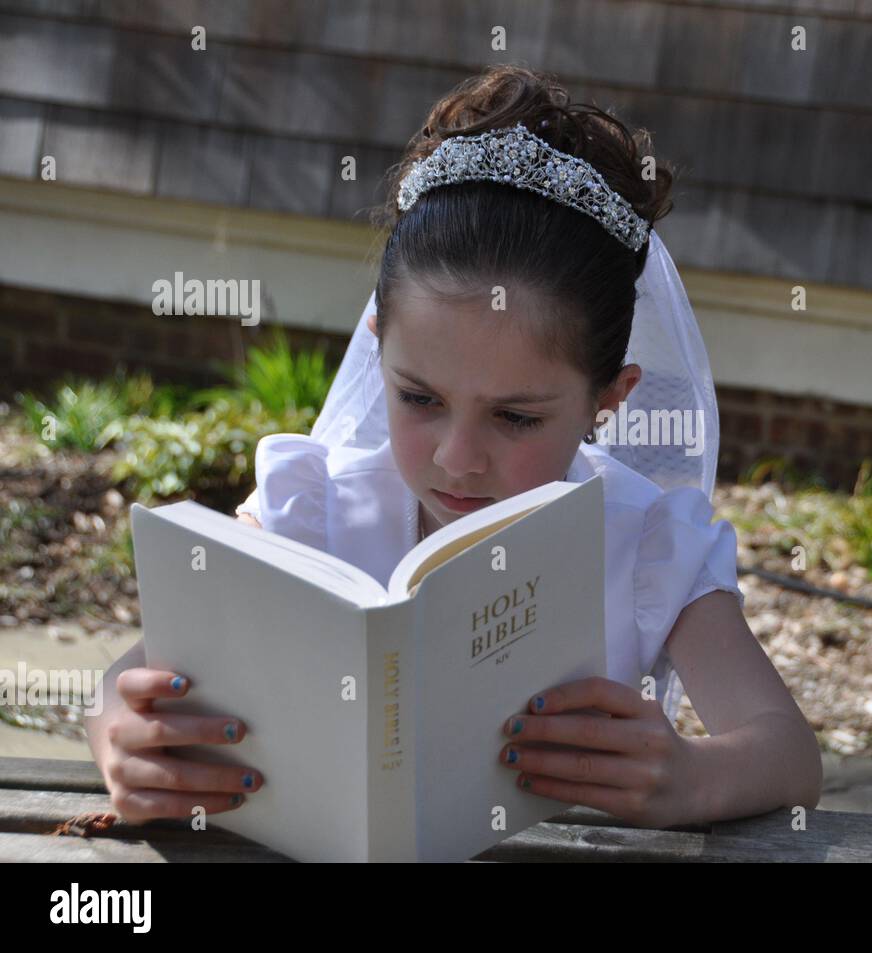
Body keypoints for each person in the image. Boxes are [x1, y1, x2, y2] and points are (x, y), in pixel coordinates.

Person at [86, 64, 822, 831]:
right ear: (378, 352)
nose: (457, 458)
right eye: (420, 399)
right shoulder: (311, 508)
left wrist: (693, 777)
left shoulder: (646, 543)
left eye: (515, 417)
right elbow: (132, 674)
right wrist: (120, 732)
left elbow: (790, 756)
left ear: (609, 399)